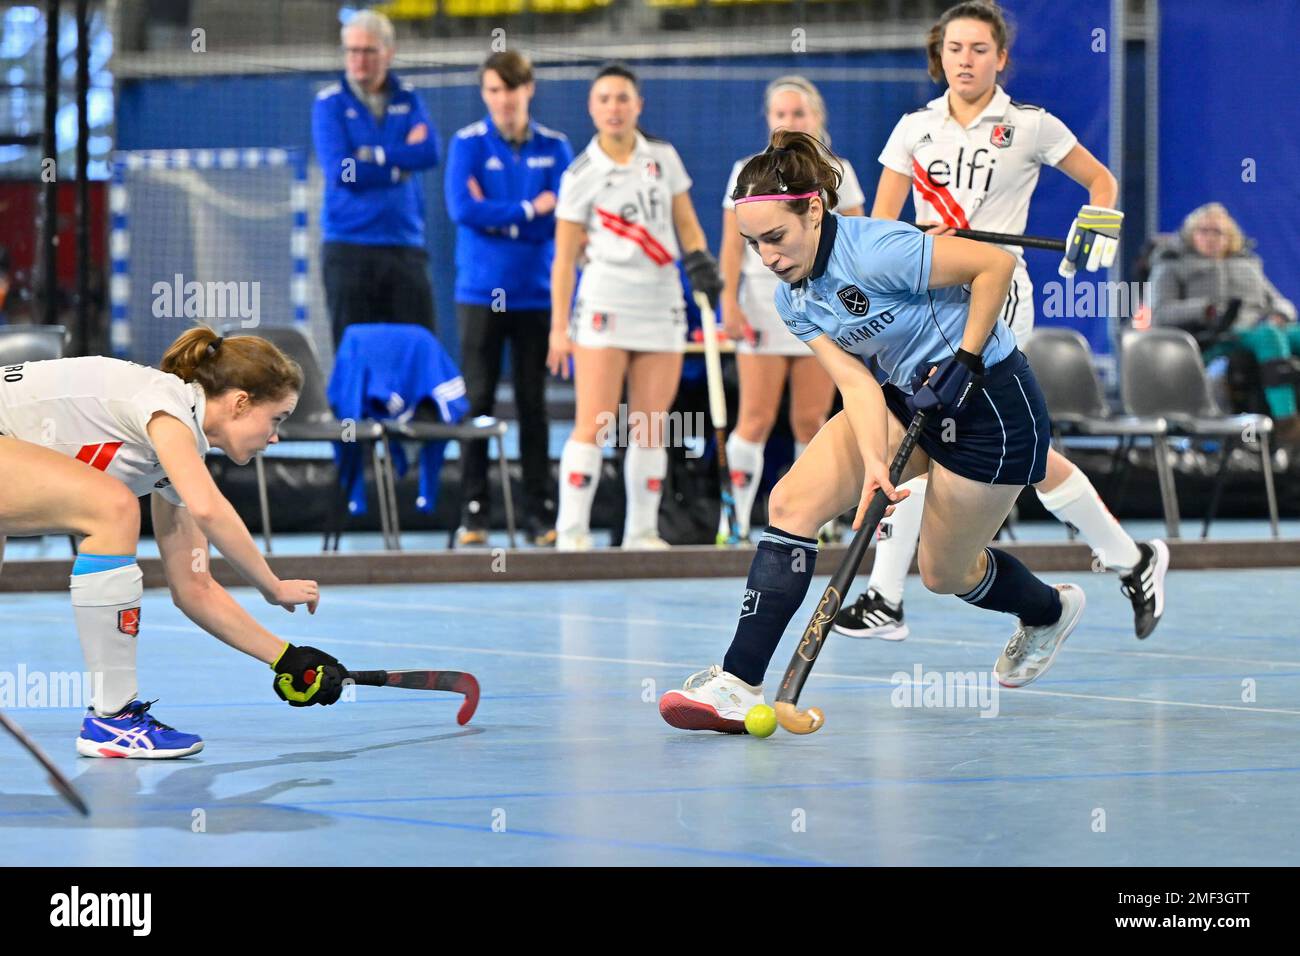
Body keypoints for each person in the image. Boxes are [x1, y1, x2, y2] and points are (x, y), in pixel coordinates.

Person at [660, 129, 1085, 732]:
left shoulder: (881, 249)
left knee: (944, 574)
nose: (769, 259)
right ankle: (738, 680)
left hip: (991, 403)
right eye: (754, 245)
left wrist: (964, 360)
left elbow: (996, 264)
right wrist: (876, 465)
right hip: (907, 397)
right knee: (791, 500)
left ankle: (1048, 610)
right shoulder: (794, 297)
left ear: (813, 211)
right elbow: (857, 386)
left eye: (776, 238)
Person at [833, 0, 1167, 645]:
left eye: (979, 49)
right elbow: (879, 229)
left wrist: (1095, 230)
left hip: (996, 297)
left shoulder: (1030, 126)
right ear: (940, 56)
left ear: (1000, 58)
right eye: (955, 48)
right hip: (923, 298)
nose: (966, 59)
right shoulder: (912, 129)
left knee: (959, 439)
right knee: (922, 429)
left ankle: (886, 595)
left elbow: (1101, 183)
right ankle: (1129, 559)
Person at [0, 326, 350, 757]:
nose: (275, 437)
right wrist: (272, 586)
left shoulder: (175, 453)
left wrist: (285, 658)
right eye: (276, 419)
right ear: (241, 402)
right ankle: (113, 719)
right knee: (114, 507)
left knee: (110, 506)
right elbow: (209, 509)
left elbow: (195, 587)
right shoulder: (166, 406)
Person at [546, 64, 722, 550]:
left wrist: (701, 265)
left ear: (638, 105)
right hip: (604, 302)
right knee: (595, 421)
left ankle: (642, 532)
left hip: (660, 301)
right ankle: (572, 532)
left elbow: (686, 225)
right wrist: (559, 328)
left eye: (623, 98)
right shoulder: (579, 173)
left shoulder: (662, 158)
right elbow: (563, 259)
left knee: (649, 424)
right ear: (592, 108)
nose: (614, 108)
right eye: (604, 99)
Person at [718, 76, 865, 540]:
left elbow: (858, 242)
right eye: (780, 114)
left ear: (817, 119)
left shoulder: (837, 170)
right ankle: (735, 521)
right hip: (762, 307)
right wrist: (728, 303)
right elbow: (729, 246)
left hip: (819, 310)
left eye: (798, 114)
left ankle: (815, 521)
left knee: (810, 420)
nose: (788, 122)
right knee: (755, 418)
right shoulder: (747, 170)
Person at [446, 50, 573, 547]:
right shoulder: (467, 144)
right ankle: (474, 512)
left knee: (532, 404)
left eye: (510, 90)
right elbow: (463, 209)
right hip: (479, 293)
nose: (502, 100)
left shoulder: (556, 147)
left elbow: (558, 218)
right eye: (493, 91)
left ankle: (540, 514)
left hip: (536, 295)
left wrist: (498, 215)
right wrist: (526, 208)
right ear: (485, 94)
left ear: (528, 90)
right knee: (477, 400)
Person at [313, 9, 441, 347]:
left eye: (367, 50)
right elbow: (343, 172)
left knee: (418, 347)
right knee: (356, 351)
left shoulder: (410, 98)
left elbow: (429, 153)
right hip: (348, 246)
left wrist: (374, 155)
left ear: (388, 52)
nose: (358, 59)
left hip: (404, 245)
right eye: (351, 50)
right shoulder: (329, 104)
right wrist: (399, 163)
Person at [1149, 201, 1300, 452]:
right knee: (1269, 337)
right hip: (1216, 337)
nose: (1210, 237)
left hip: (1260, 329)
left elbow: (1281, 302)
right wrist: (1203, 310)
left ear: (1229, 237)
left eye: (1217, 232)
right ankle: (1286, 421)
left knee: (1280, 333)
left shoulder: (1247, 265)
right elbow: (1161, 313)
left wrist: (1280, 315)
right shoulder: (1171, 265)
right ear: (1190, 234)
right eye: (1203, 231)